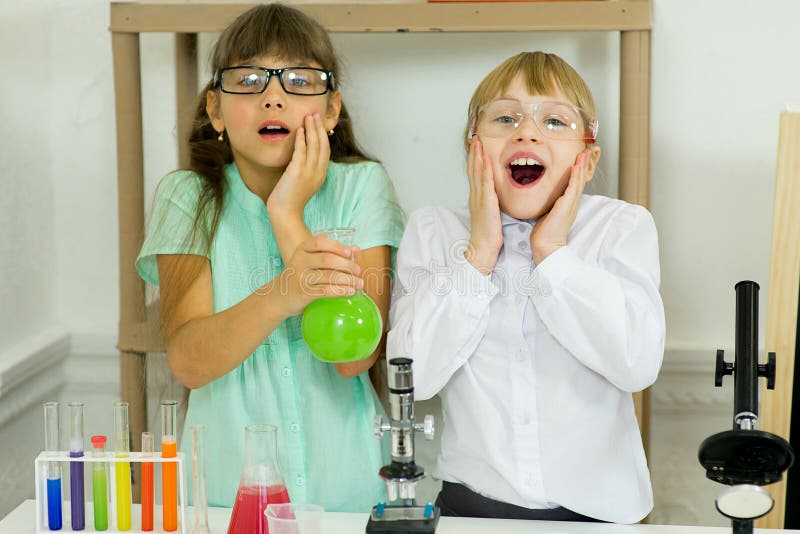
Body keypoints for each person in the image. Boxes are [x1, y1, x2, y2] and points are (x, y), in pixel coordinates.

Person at [136, 3, 404, 512]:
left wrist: (287, 214)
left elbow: (355, 357)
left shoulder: (362, 187)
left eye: (301, 81)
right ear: (214, 110)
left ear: (330, 110)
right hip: (224, 493)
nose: (274, 97)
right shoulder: (186, 196)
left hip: (347, 489)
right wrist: (287, 290)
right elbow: (190, 361)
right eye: (250, 79)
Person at [387, 51, 665, 523]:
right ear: (473, 146)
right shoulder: (433, 231)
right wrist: (478, 253)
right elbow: (413, 382)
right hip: (469, 513)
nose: (528, 131)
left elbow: (636, 364)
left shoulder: (621, 227)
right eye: (505, 117)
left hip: (602, 515)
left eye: (555, 120)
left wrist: (552, 252)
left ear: (587, 158)